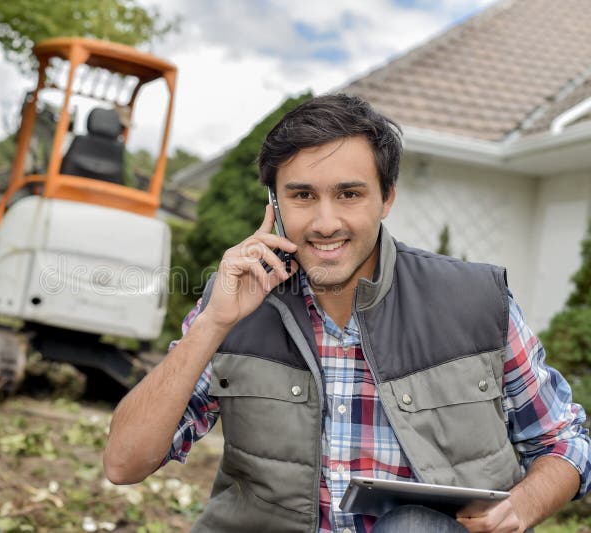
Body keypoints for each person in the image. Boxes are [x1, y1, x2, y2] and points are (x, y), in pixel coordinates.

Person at [103, 94, 591, 532]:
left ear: (387, 198)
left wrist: (523, 504)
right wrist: (213, 323)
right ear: (274, 204)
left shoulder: (476, 302)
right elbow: (124, 464)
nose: (325, 222)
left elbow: (565, 442)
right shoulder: (233, 303)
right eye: (302, 195)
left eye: (349, 194)